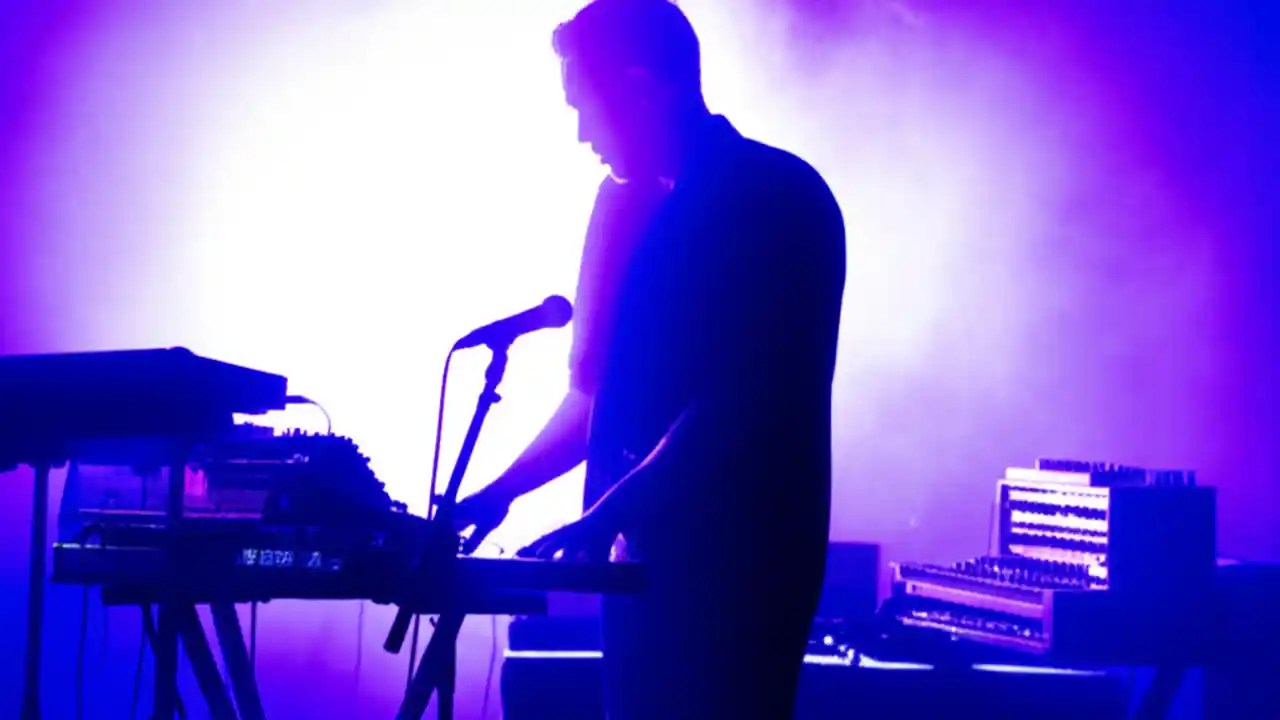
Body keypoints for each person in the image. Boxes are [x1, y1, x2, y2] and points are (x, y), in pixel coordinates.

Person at [455, 0, 846, 717]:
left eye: (587, 107)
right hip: (635, 562)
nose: (579, 134)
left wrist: (605, 515)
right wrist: (496, 493)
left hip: (738, 570)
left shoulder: (777, 199)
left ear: (639, 85)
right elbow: (592, 399)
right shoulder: (618, 208)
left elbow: (739, 405)